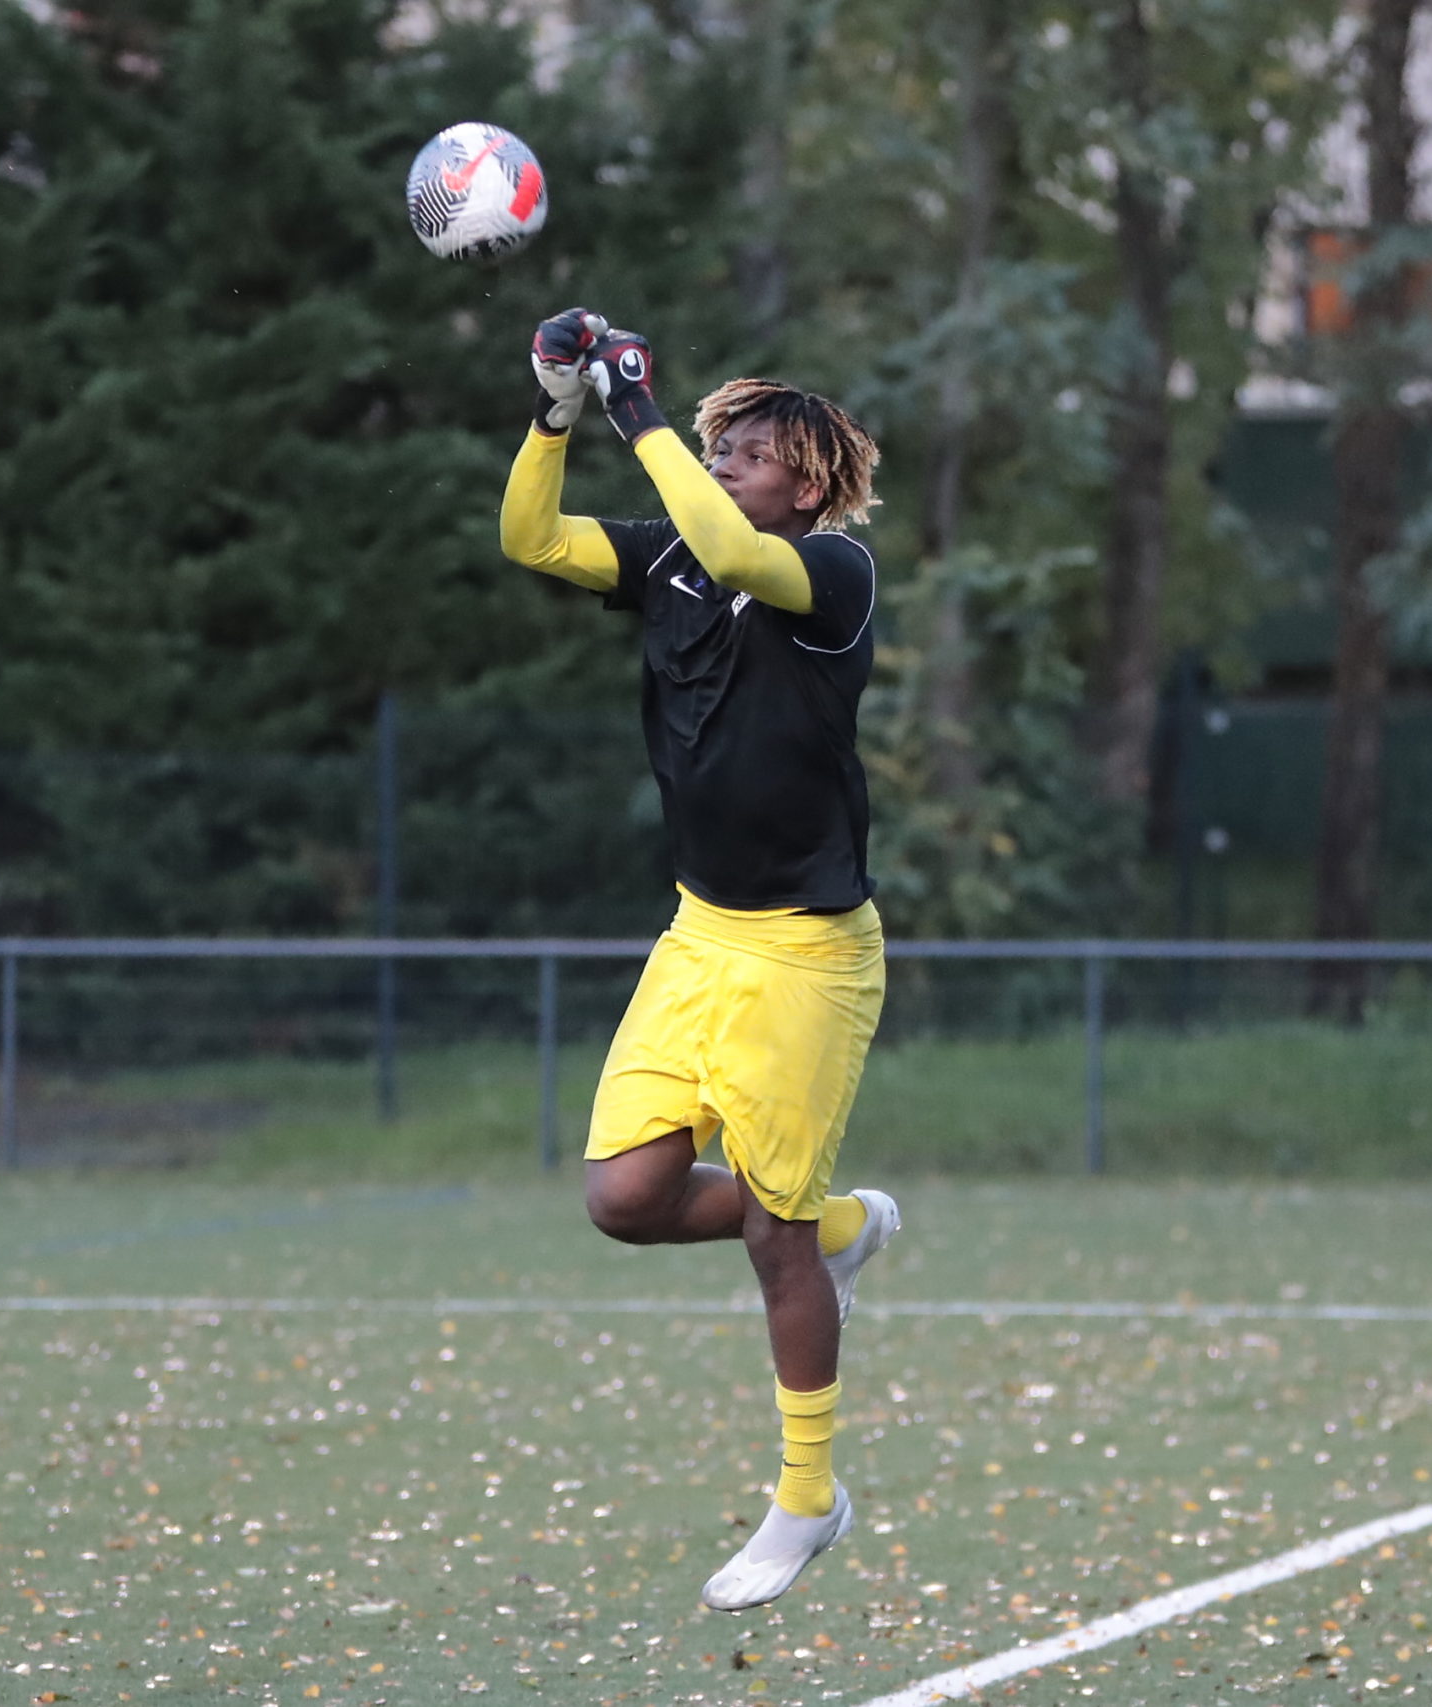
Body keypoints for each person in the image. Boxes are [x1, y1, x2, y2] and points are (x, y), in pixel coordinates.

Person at [498, 308, 902, 1612]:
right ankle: (837, 1226)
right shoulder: (675, 557)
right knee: (624, 1196)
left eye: (753, 453)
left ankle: (806, 1498)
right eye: (716, 446)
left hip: (805, 956)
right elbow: (531, 539)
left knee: (773, 1248)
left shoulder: (833, 573)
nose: (724, 465)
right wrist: (560, 409)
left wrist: (644, 412)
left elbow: (733, 543)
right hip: (699, 934)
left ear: (812, 483)